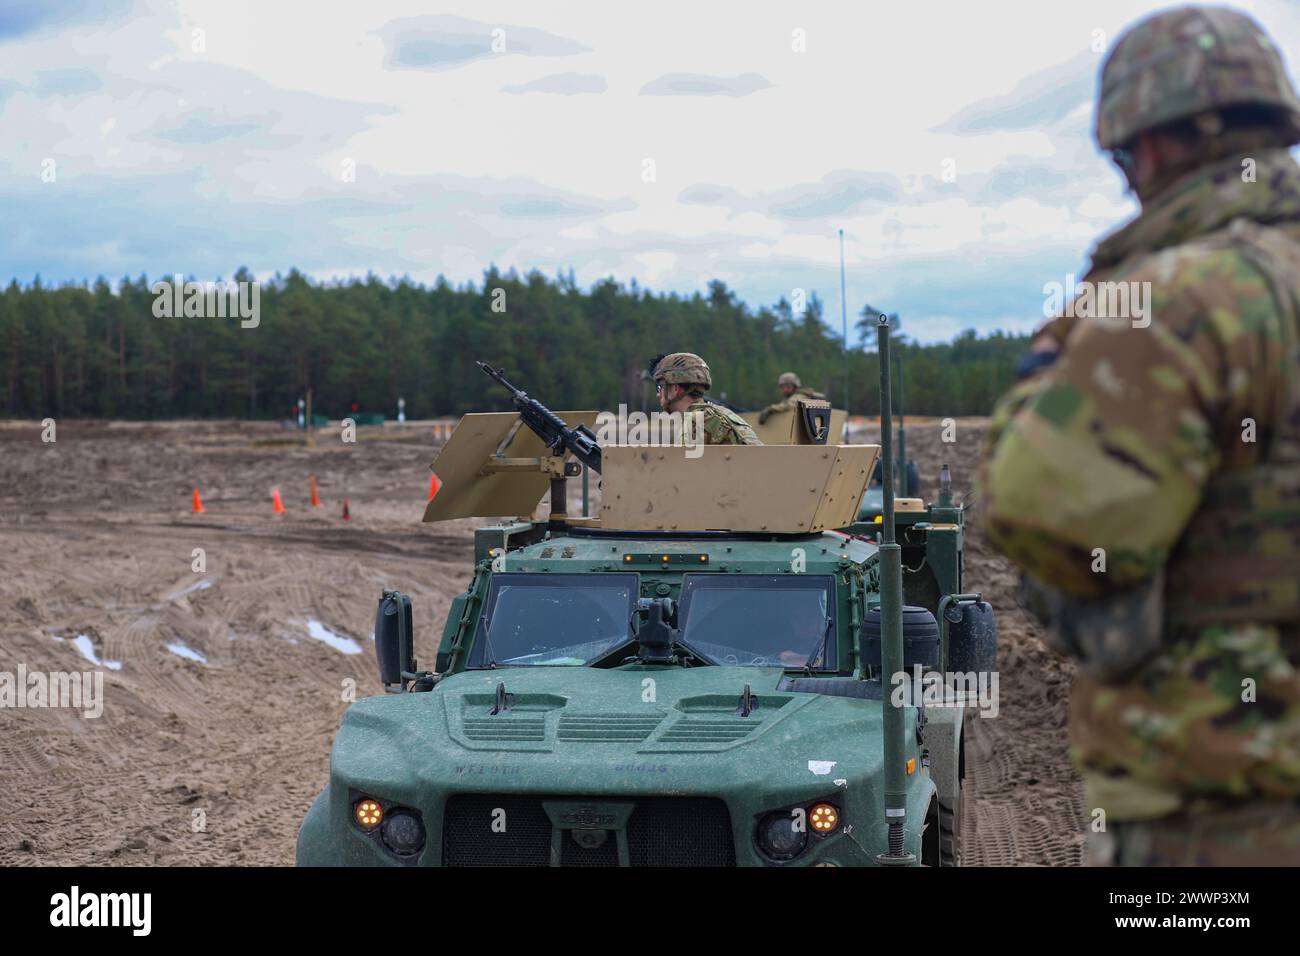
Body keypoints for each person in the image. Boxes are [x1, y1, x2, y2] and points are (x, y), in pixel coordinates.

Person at [979, 4, 1300, 865]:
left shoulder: (1186, 297)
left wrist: (1043, 376)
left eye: (1125, 161)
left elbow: (1046, 521)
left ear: (1151, 147)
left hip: (1231, 814)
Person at [651, 352, 761, 445]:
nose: (658, 394)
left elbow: (683, 468)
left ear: (675, 389)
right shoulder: (723, 414)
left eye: (659, 387)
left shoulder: (695, 423)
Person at [757, 372, 826, 424]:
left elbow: (788, 406)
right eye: (783, 387)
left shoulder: (799, 396)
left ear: (795, 387)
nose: (785, 390)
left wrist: (771, 409)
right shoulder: (789, 398)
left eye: (788, 387)